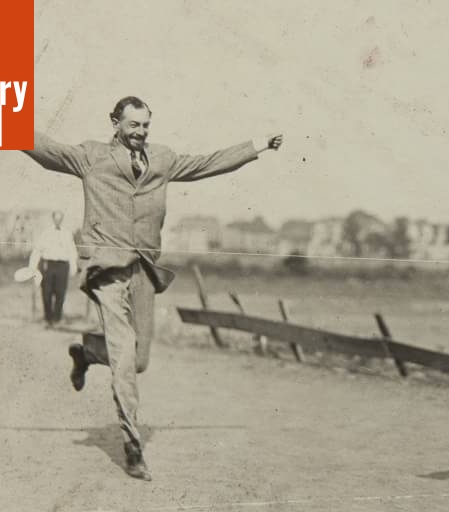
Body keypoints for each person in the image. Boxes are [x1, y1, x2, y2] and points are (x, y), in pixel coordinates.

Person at [20, 95, 283, 480]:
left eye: (145, 125)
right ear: (115, 123)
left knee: (139, 361)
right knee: (125, 355)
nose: (140, 133)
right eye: (133, 125)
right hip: (107, 270)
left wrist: (257, 144)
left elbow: (205, 165)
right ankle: (132, 445)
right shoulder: (91, 156)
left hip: (143, 270)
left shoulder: (162, 158)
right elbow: (47, 150)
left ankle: (88, 353)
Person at [28, 211, 78, 328]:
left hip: (62, 265)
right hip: (48, 265)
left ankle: (57, 319)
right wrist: (32, 266)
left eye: (60, 219)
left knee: (61, 292)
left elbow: (72, 251)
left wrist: (73, 266)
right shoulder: (46, 233)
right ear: (53, 219)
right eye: (56, 218)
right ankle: (48, 319)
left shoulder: (67, 233)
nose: (58, 221)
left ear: (62, 220)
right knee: (46, 292)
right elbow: (37, 250)